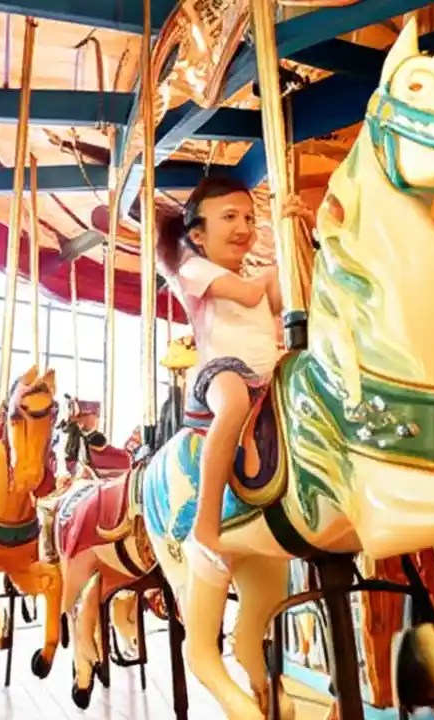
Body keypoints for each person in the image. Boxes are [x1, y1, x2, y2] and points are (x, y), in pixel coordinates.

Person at [156, 176, 307, 575]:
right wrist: (278, 255)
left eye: (249, 217)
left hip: (265, 373)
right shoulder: (193, 271)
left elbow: (291, 295)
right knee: (234, 400)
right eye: (229, 217)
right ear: (199, 235)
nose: (243, 227)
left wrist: (300, 237)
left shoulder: (253, 277)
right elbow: (250, 295)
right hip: (220, 372)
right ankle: (206, 526)